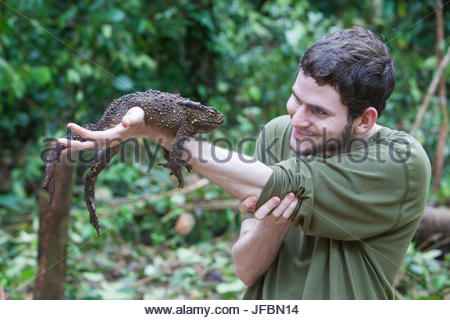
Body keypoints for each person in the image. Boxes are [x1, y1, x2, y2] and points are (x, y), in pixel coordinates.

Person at [57, 27, 431, 299]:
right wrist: (274, 219)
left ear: (364, 120)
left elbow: (278, 182)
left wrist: (160, 134)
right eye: (295, 98)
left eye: (317, 111)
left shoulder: (400, 160)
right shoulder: (279, 133)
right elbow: (246, 269)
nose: (298, 118)